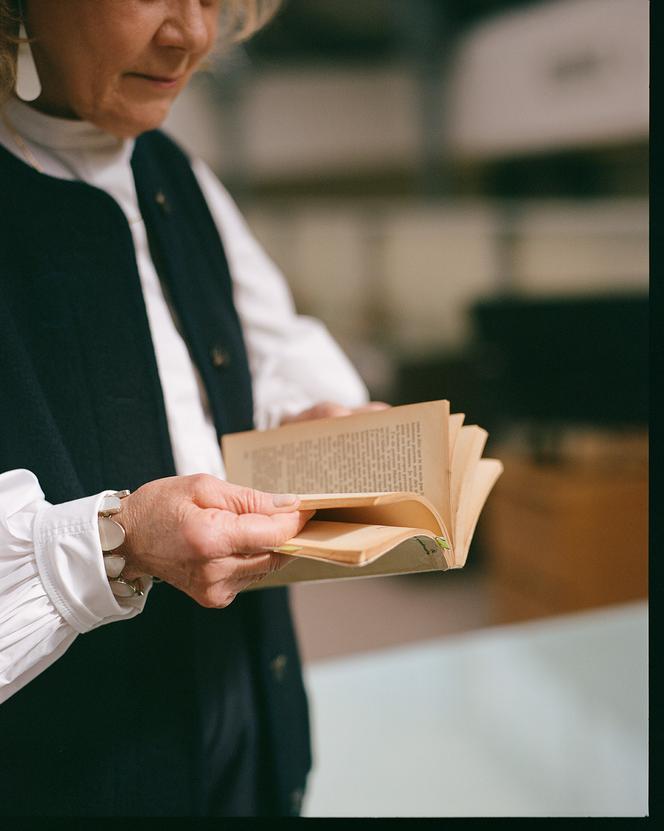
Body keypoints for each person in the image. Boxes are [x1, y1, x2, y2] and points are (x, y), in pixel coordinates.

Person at [0, 0, 382, 817]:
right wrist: (123, 541)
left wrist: (306, 419)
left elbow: (265, 343)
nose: (193, 34)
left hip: (243, 715)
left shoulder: (176, 173)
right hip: (74, 773)